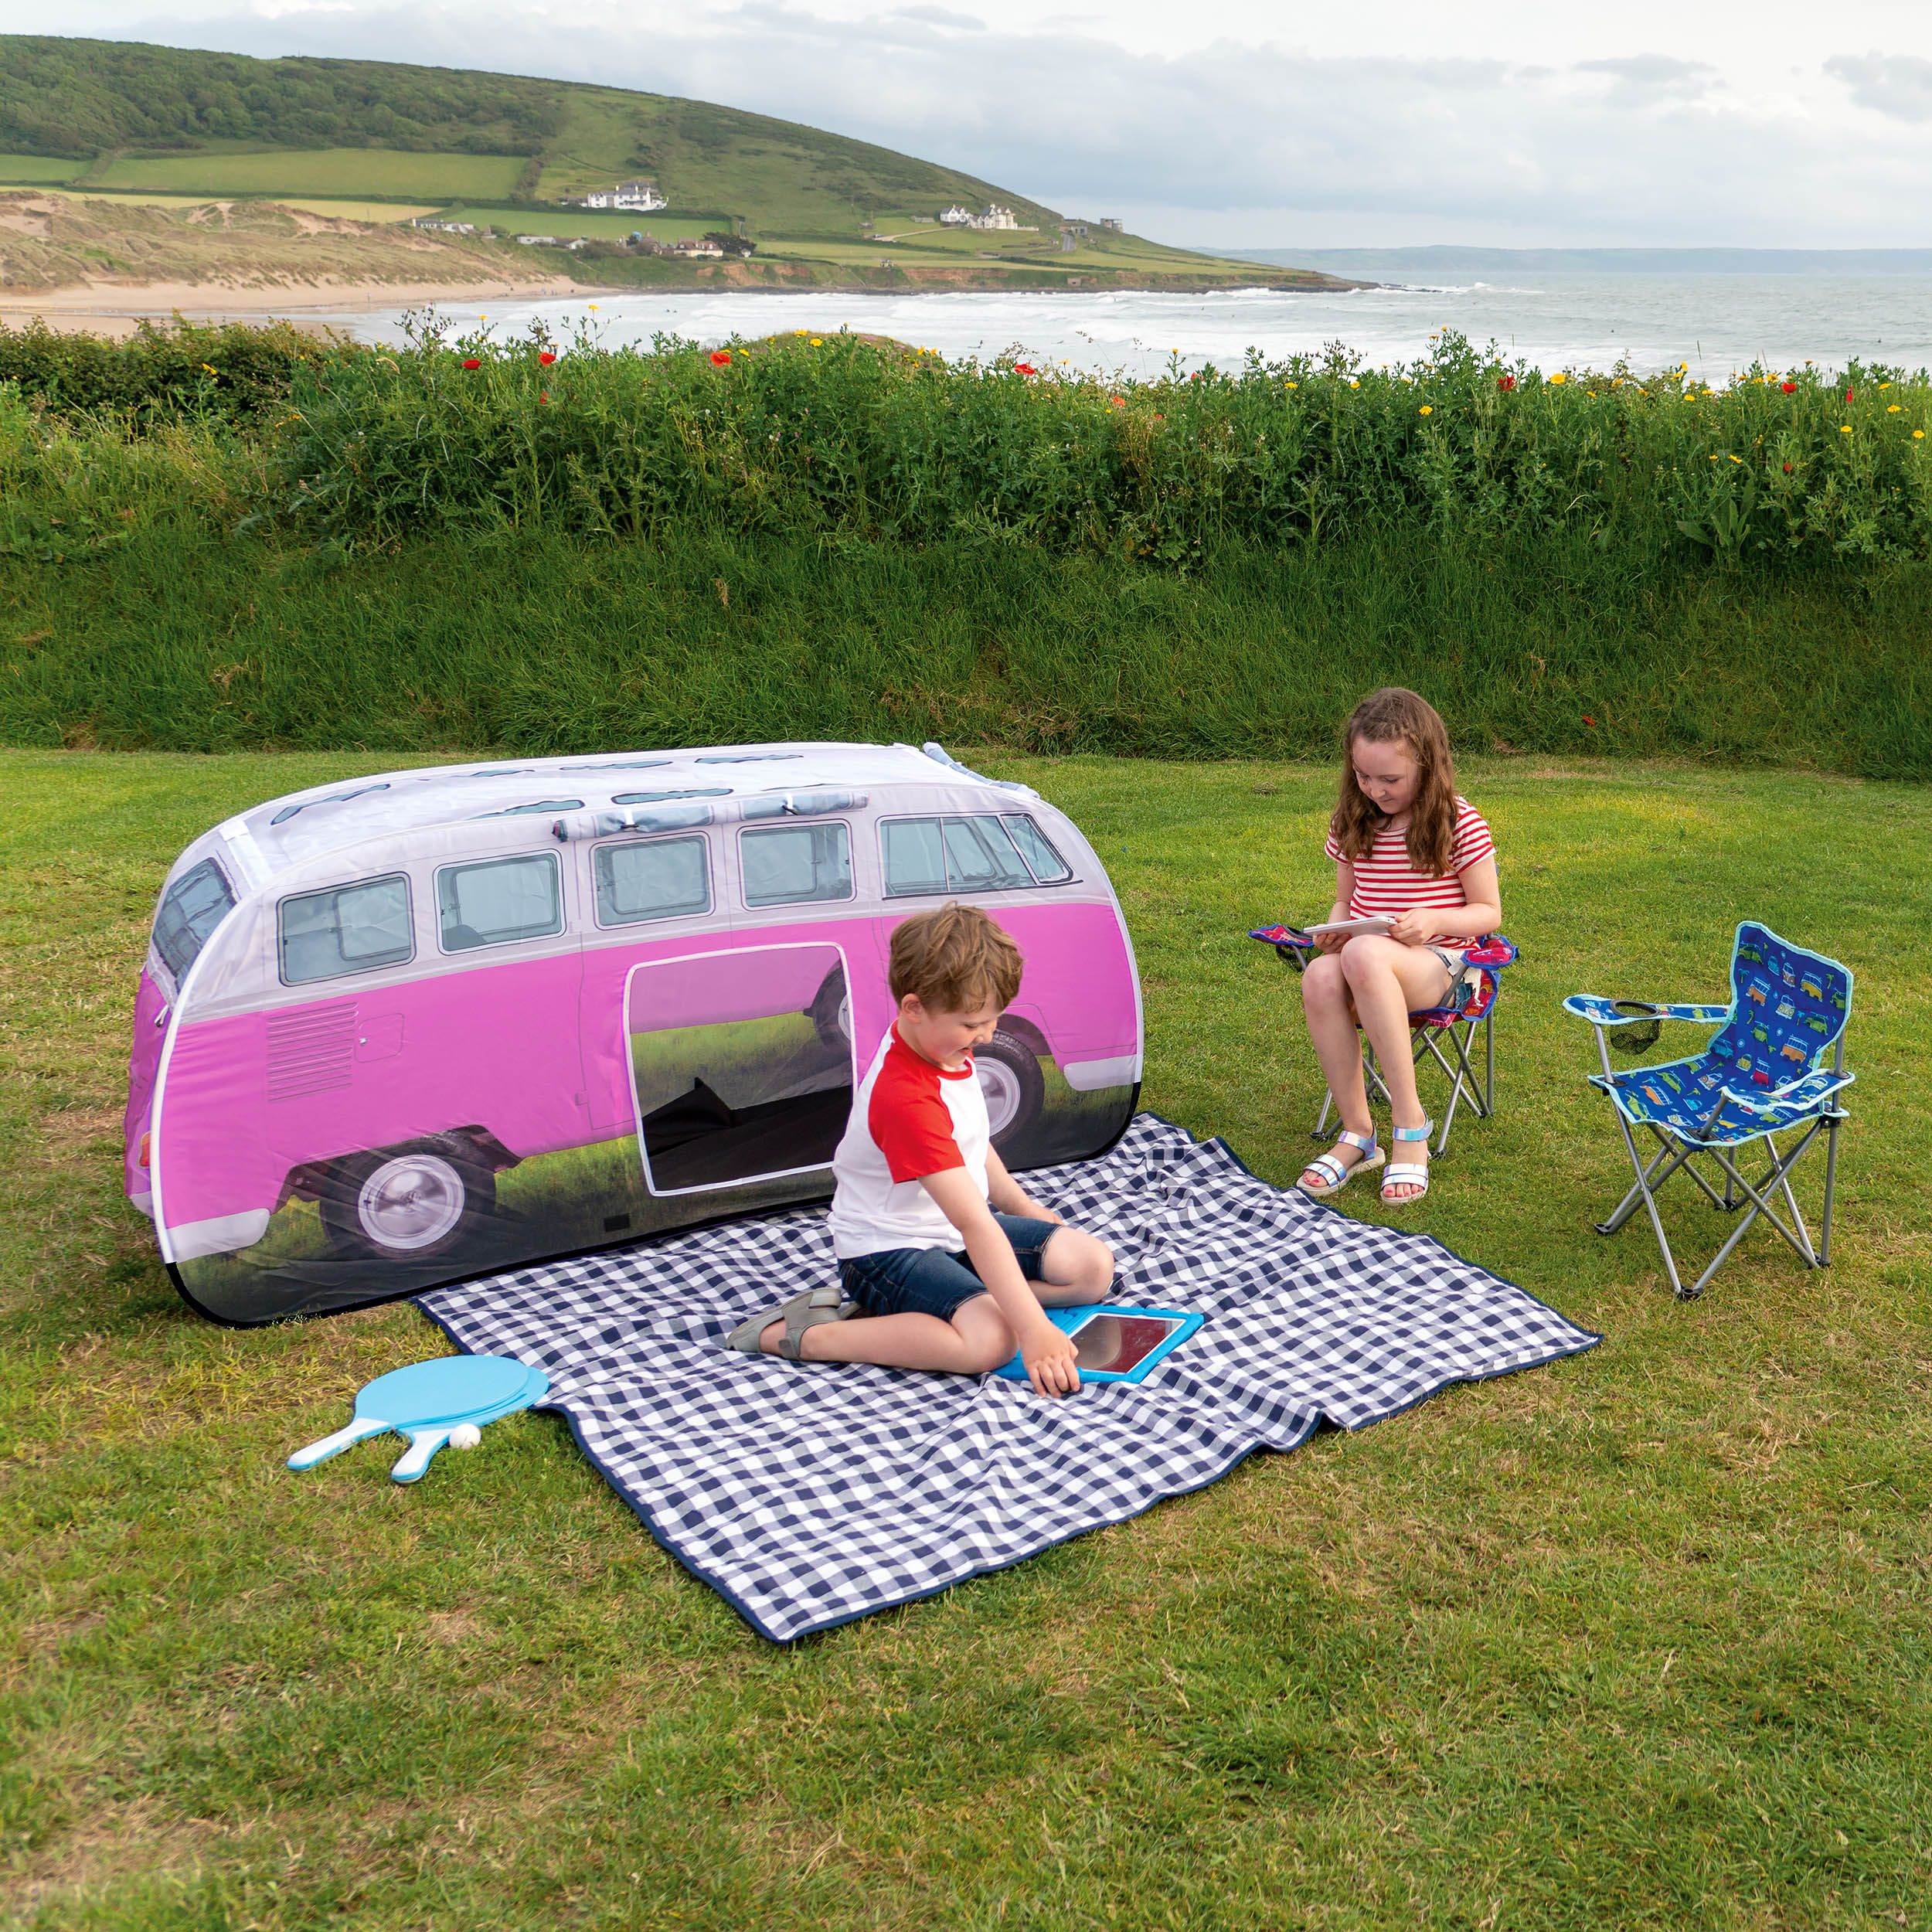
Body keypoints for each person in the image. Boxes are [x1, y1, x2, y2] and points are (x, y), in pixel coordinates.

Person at [726, 902, 1115, 1396]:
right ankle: (809, 1335)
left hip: (949, 1237)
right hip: (887, 1252)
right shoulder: (906, 1098)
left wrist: (1020, 1205)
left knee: (1092, 1267)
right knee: (992, 1341)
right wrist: (1034, 1329)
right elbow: (974, 1223)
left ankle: (943, 1310)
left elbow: (970, 1140)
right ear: (914, 1007)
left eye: (994, 1019)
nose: (987, 1035)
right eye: (973, 1022)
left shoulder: (947, 1046)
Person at [1296, 687, 1502, 1207]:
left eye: (1391, 779)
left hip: (1442, 965)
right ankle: (1358, 1134)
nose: (1376, 790)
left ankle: (1410, 1125)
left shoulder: (1459, 822)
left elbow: (1488, 913)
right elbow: (1346, 903)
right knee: (1321, 974)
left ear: (1427, 767)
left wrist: (1432, 921)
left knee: (1364, 956)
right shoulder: (1352, 819)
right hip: (1372, 961)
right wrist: (1333, 932)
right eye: (1364, 776)